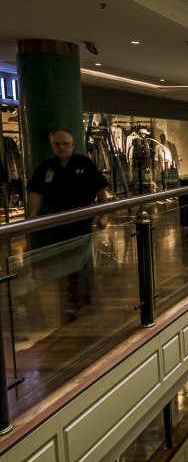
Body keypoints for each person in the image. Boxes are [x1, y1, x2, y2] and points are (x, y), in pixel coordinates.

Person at [27, 128, 109, 322]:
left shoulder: (84, 164)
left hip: (81, 221)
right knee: (73, 260)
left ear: (72, 145)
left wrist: (103, 215)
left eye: (65, 144)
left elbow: (101, 192)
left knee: (76, 260)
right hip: (58, 222)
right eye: (57, 144)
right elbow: (35, 193)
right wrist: (32, 216)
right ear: (52, 146)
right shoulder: (48, 167)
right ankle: (83, 295)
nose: (62, 147)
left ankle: (73, 302)